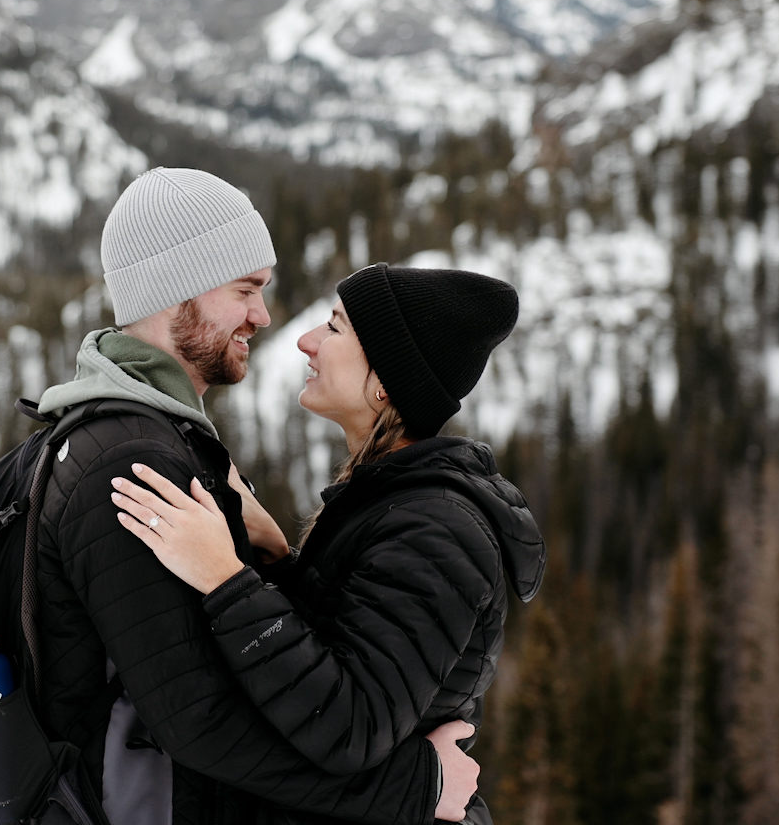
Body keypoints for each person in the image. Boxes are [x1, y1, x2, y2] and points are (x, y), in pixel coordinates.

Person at [29, 167, 481, 825]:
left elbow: (328, 698)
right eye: (247, 289)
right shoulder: (132, 460)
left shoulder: (430, 521)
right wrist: (416, 788)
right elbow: (202, 720)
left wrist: (247, 572)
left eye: (332, 327)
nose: (270, 320)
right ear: (179, 290)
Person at [110, 261, 543, 825]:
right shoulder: (390, 503)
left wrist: (225, 579)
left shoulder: (438, 529)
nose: (306, 341)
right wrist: (280, 561)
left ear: (386, 379)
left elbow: (350, 724)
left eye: (335, 328)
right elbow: (348, 644)